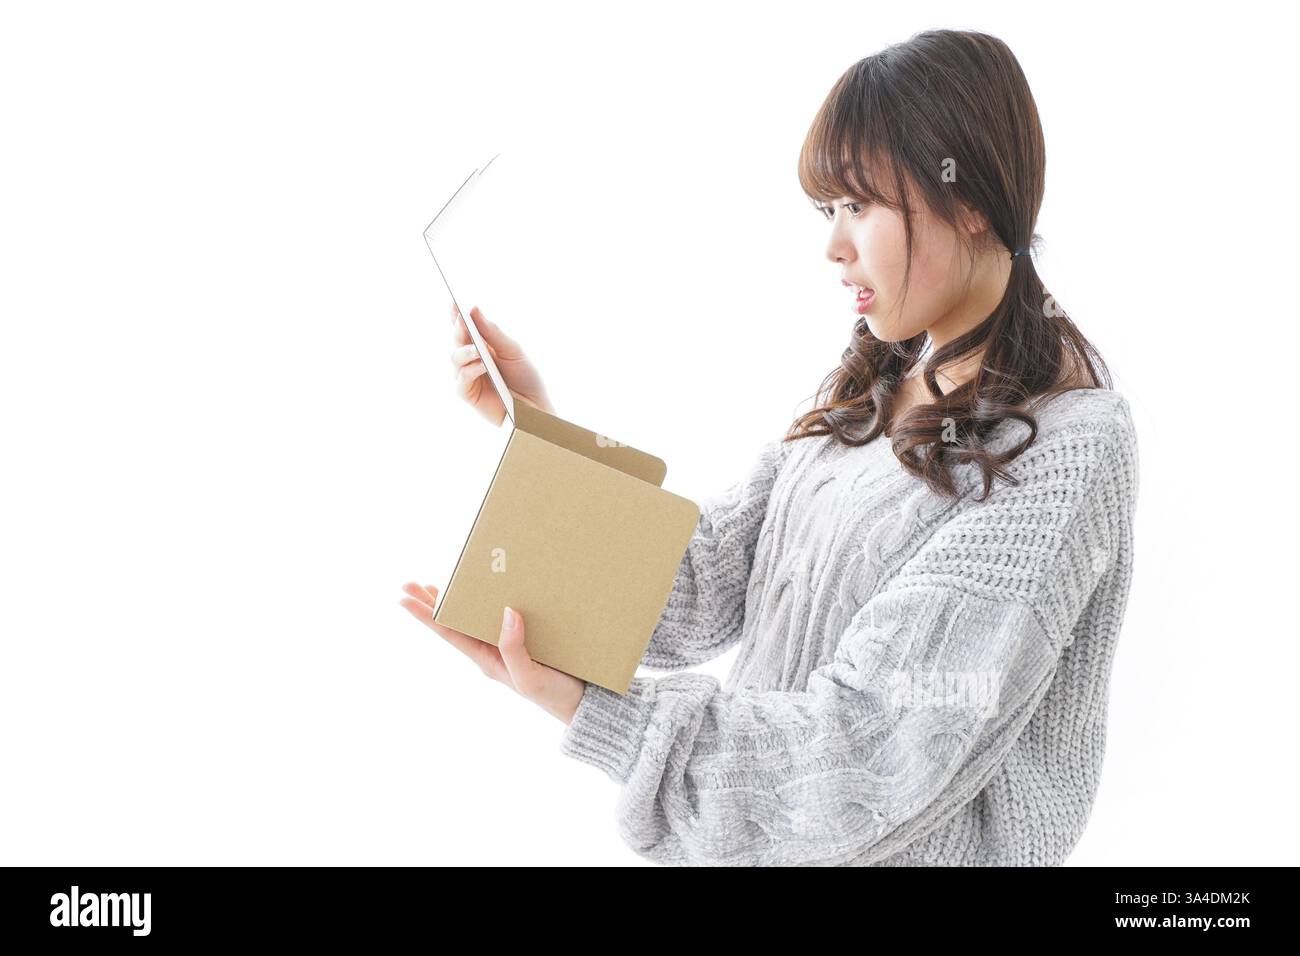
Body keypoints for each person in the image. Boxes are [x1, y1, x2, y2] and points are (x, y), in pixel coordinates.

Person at [400, 28, 1140, 866]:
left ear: (970, 199)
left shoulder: (1068, 447)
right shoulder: (875, 377)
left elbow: (866, 752)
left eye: (859, 206)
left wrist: (593, 709)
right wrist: (536, 430)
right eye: (828, 211)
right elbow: (706, 582)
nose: (832, 245)